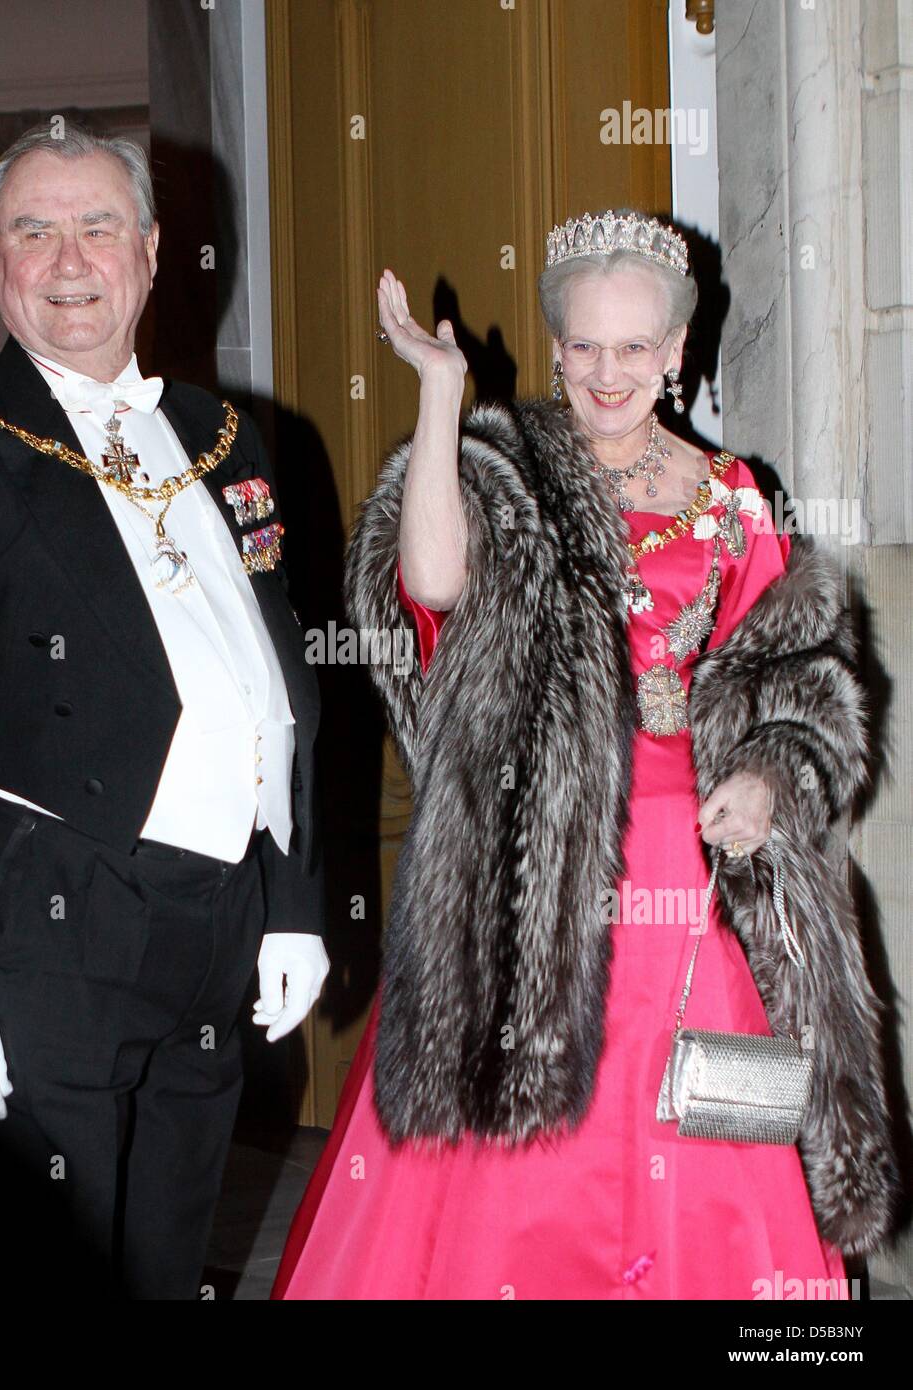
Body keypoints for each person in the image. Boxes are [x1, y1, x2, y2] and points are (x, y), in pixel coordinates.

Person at [272, 209, 897, 1299]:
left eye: (636, 348)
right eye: (587, 347)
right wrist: (435, 394)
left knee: (711, 1148)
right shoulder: (506, 468)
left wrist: (764, 778)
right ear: (559, 349)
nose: (610, 373)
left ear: (677, 356)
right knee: (509, 1183)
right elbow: (428, 582)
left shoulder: (733, 496)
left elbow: (799, 683)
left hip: (694, 884)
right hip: (530, 877)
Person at [0, 122, 329, 1301]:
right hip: (47, 932)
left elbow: (280, 675)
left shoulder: (225, 438)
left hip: (218, 921)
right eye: (32, 230)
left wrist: (292, 901)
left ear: (151, 254)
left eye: (97, 227)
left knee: (164, 1264)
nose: (68, 259)